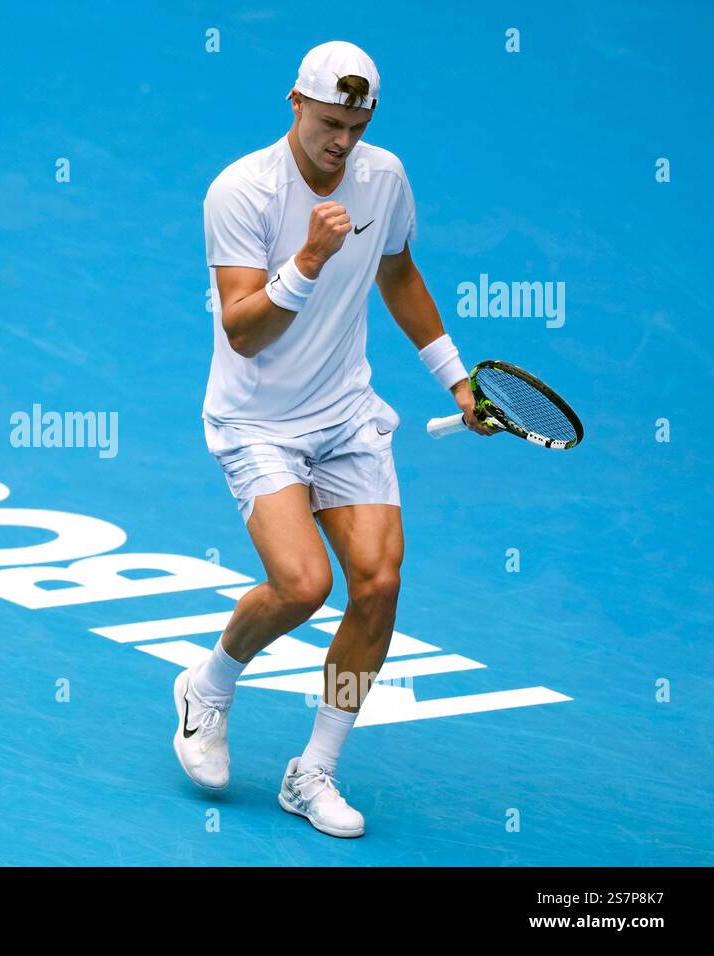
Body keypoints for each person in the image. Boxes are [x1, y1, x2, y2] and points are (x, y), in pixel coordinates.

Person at [174, 39, 495, 838]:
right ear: (295, 105)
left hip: (346, 413)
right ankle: (207, 685)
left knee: (379, 587)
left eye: (356, 124)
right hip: (256, 420)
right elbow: (245, 332)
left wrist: (457, 379)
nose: (342, 142)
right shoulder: (241, 191)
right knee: (300, 585)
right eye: (328, 123)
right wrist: (310, 259)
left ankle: (313, 769)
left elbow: (398, 272)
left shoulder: (384, 176)